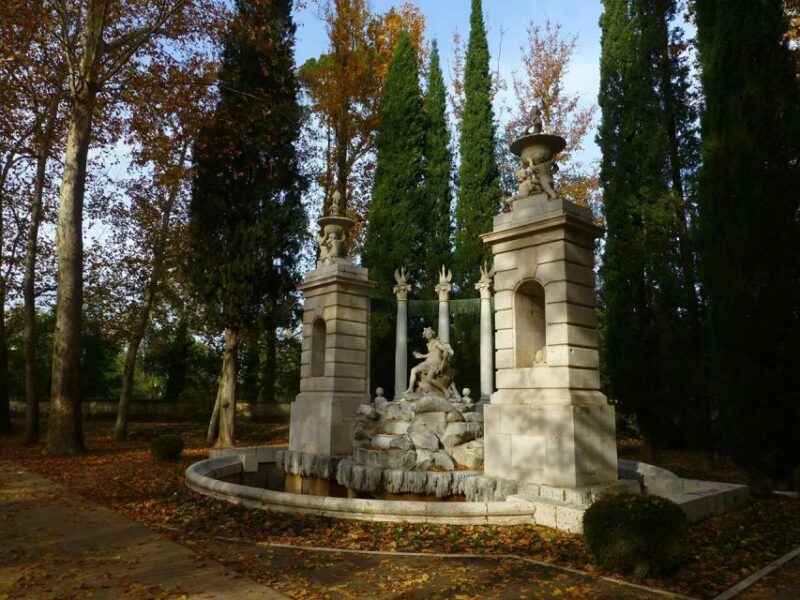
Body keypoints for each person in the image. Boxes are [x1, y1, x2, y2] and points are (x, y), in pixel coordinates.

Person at [405, 327, 453, 395]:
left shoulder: (436, 342)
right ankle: (410, 388)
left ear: (432, 334)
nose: (428, 334)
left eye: (430, 333)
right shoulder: (428, 344)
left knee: (429, 378)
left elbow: (442, 348)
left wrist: (445, 351)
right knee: (413, 370)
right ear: (425, 335)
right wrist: (421, 355)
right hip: (427, 362)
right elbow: (430, 354)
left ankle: (444, 390)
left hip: (435, 363)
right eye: (427, 333)